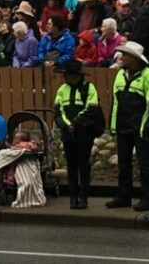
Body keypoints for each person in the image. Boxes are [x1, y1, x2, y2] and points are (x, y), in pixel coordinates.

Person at [106, 41, 149, 212]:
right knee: (124, 163)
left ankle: (147, 198)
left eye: (125, 54)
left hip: (140, 127)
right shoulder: (120, 75)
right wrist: (113, 125)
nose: (121, 57)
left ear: (135, 59)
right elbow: (115, 102)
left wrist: (147, 127)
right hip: (123, 125)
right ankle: (124, 196)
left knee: (144, 163)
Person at [54, 60, 103, 209]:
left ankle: (83, 196)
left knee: (83, 164)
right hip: (68, 133)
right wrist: (66, 124)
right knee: (71, 165)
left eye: (67, 75)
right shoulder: (62, 89)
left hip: (84, 133)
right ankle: (73, 197)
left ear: (75, 76)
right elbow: (58, 110)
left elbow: (91, 109)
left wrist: (75, 123)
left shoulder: (89, 88)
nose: (64, 78)